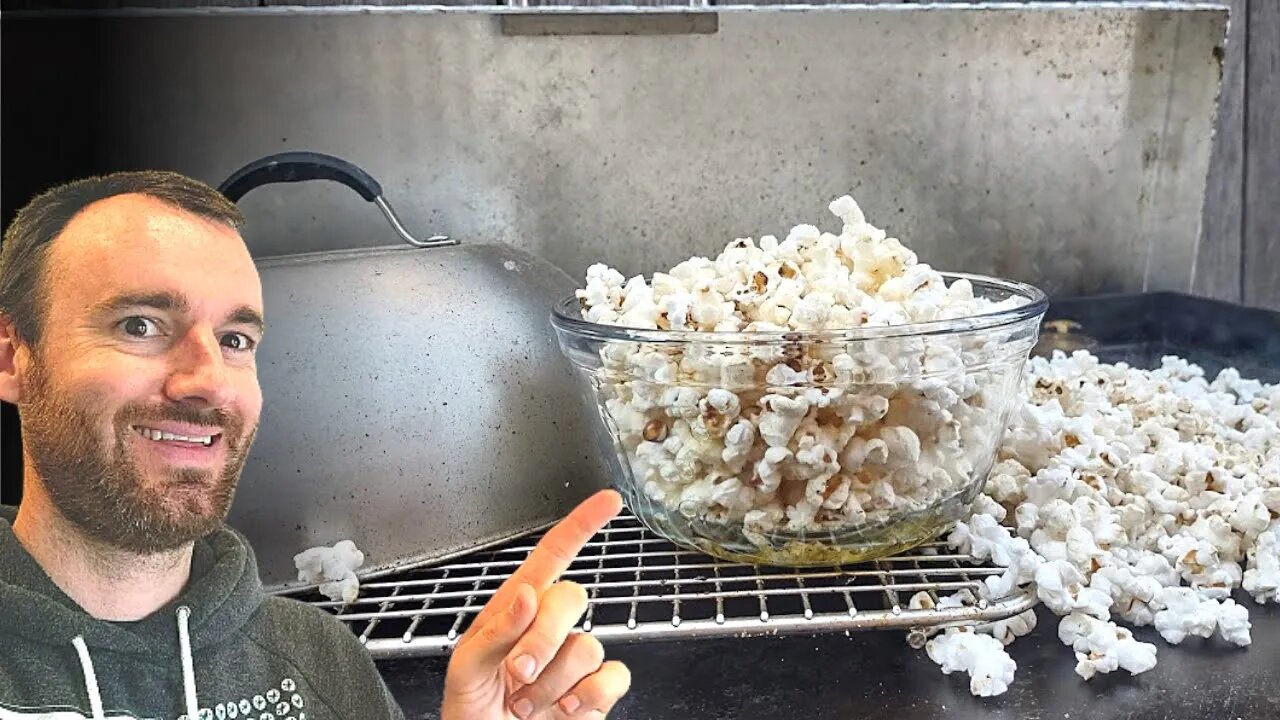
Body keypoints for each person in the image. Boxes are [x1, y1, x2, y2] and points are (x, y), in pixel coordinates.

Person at [0, 171, 631, 720]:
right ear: (11, 357)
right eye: (139, 325)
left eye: (236, 339)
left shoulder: (323, 662)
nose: (211, 380)